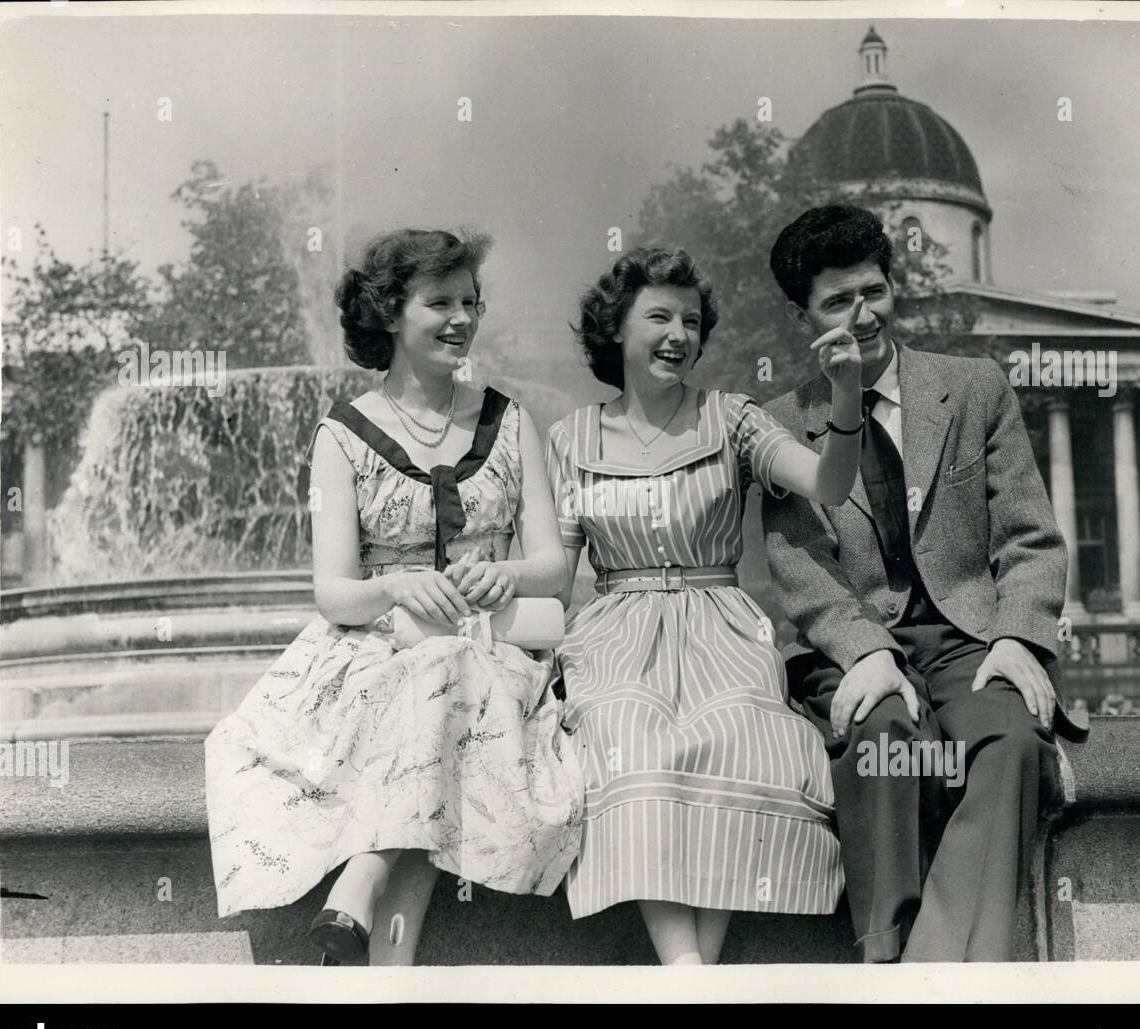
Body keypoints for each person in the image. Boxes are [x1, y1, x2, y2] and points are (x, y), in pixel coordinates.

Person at [205, 228, 585, 965]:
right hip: (374, 651)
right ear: (388, 314)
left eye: (470, 301)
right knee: (430, 708)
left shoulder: (509, 422)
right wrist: (392, 585)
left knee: (447, 679)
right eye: (438, 301)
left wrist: (505, 576)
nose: (462, 318)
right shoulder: (342, 436)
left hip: (490, 649)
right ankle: (387, 970)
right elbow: (334, 592)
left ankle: (357, 890)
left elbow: (551, 567)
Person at [761, 205, 1089, 963]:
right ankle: (890, 949)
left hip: (970, 640)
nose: (864, 314)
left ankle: (924, 974)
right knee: (884, 741)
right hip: (858, 649)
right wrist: (865, 652)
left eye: (874, 291)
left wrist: (1018, 638)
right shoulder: (779, 423)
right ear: (800, 314)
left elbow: (1030, 536)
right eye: (837, 302)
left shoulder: (973, 389)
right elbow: (800, 563)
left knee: (1009, 743)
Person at [546, 246, 864, 965]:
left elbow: (829, 483)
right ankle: (690, 971)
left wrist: (845, 397)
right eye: (658, 316)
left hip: (719, 624)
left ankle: (693, 975)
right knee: (627, 736)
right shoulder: (570, 439)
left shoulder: (733, 419)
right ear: (616, 331)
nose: (678, 334)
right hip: (615, 634)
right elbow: (555, 576)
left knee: (747, 736)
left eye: (690, 320)